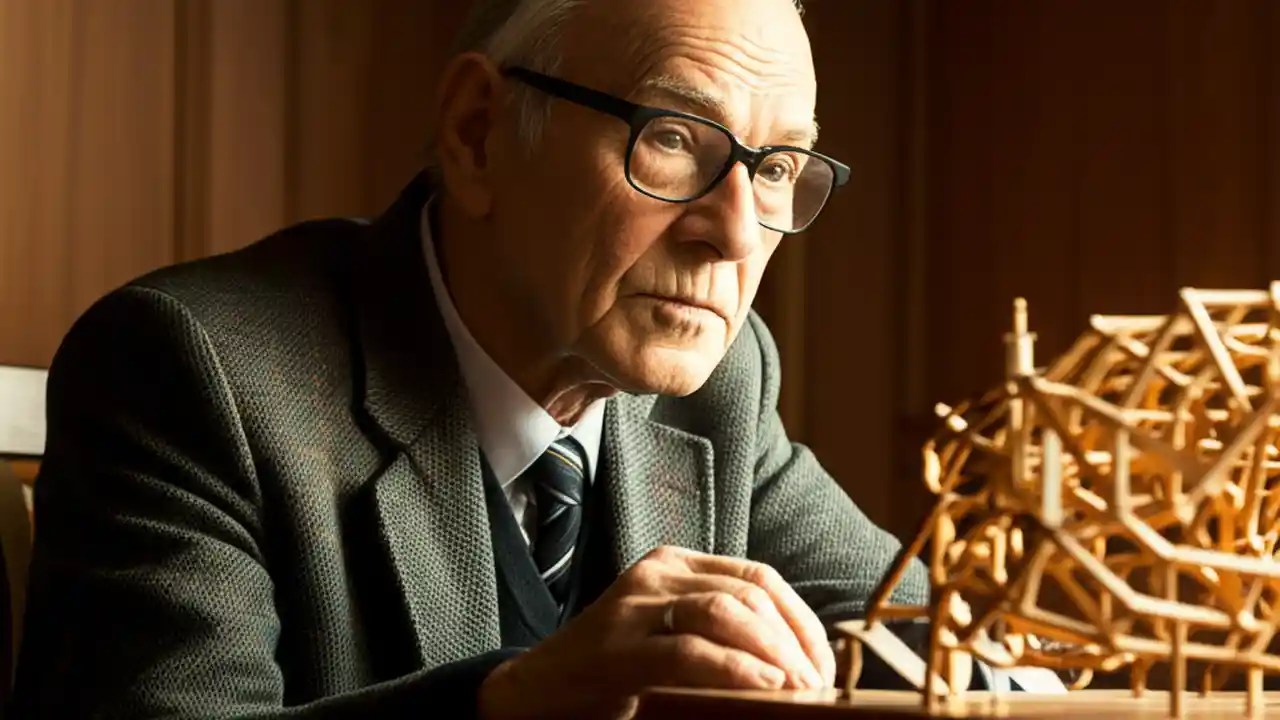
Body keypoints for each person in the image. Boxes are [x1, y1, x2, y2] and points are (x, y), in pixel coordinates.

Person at [13, 0, 928, 716]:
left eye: (773, 169)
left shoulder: (720, 382)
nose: (734, 235)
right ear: (479, 131)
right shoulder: (190, 368)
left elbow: (934, 636)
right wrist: (516, 702)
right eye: (674, 138)